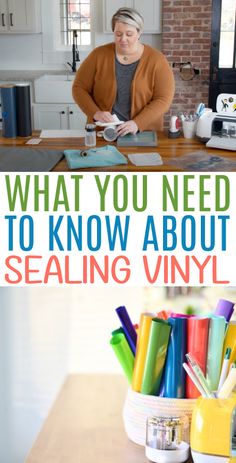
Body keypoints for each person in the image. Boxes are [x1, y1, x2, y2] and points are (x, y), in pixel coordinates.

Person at [72, 7, 175, 136]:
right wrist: (95, 113)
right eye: (118, 34)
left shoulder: (157, 60)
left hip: (142, 133)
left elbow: (163, 99)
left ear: (139, 33)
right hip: (104, 133)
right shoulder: (98, 55)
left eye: (129, 34)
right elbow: (79, 88)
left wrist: (138, 123)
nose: (123, 39)